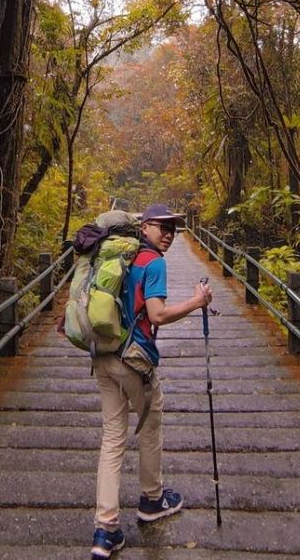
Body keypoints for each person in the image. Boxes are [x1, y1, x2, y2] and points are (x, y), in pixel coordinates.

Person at [90, 203, 213, 559]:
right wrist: (197, 301)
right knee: (149, 426)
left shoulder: (118, 256)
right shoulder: (153, 263)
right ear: (144, 227)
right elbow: (157, 314)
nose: (169, 234)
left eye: (173, 229)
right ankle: (152, 499)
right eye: (162, 226)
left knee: (112, 439)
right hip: (134, 360)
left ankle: (105, 529)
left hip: (104, 355)